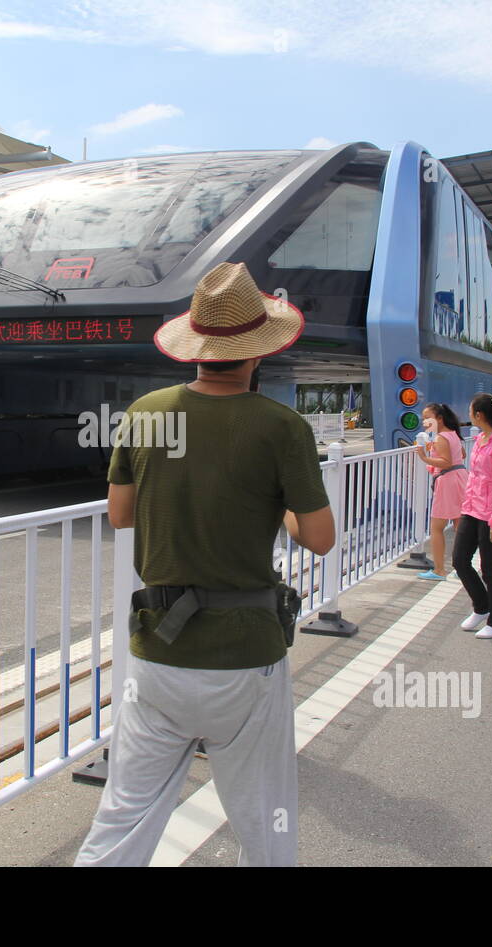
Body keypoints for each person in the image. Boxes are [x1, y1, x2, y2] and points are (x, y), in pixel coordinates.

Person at [74, 262, 333, 867]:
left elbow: (120, 514)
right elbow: (317, 537)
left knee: (125, 817)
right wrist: (283, 510)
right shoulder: (281, 427)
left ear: (197, 347)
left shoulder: (145, 413)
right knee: (264, 821)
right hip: (245, 656)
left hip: (157, 652)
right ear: (256, 352)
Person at [452, 393, 492, 639]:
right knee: (459, 561)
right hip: (471, 509)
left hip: (491, 515)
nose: (468, 414)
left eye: (470, 411)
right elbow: (476, 476)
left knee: (489, 568)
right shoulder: (480, 439)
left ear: (478, 415)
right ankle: (481, 607)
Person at [413, 402, 467, 581]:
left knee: (436, 528)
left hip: (447, 481)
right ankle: (462, 567)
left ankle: (438, 570)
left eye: (428, 418)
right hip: (461, 478)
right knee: (460, 526)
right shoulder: (452, 434)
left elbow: (445, 462)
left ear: (439, 419)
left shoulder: (439, 438)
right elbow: (462, 455)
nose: (425, 422)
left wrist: (424, 457)